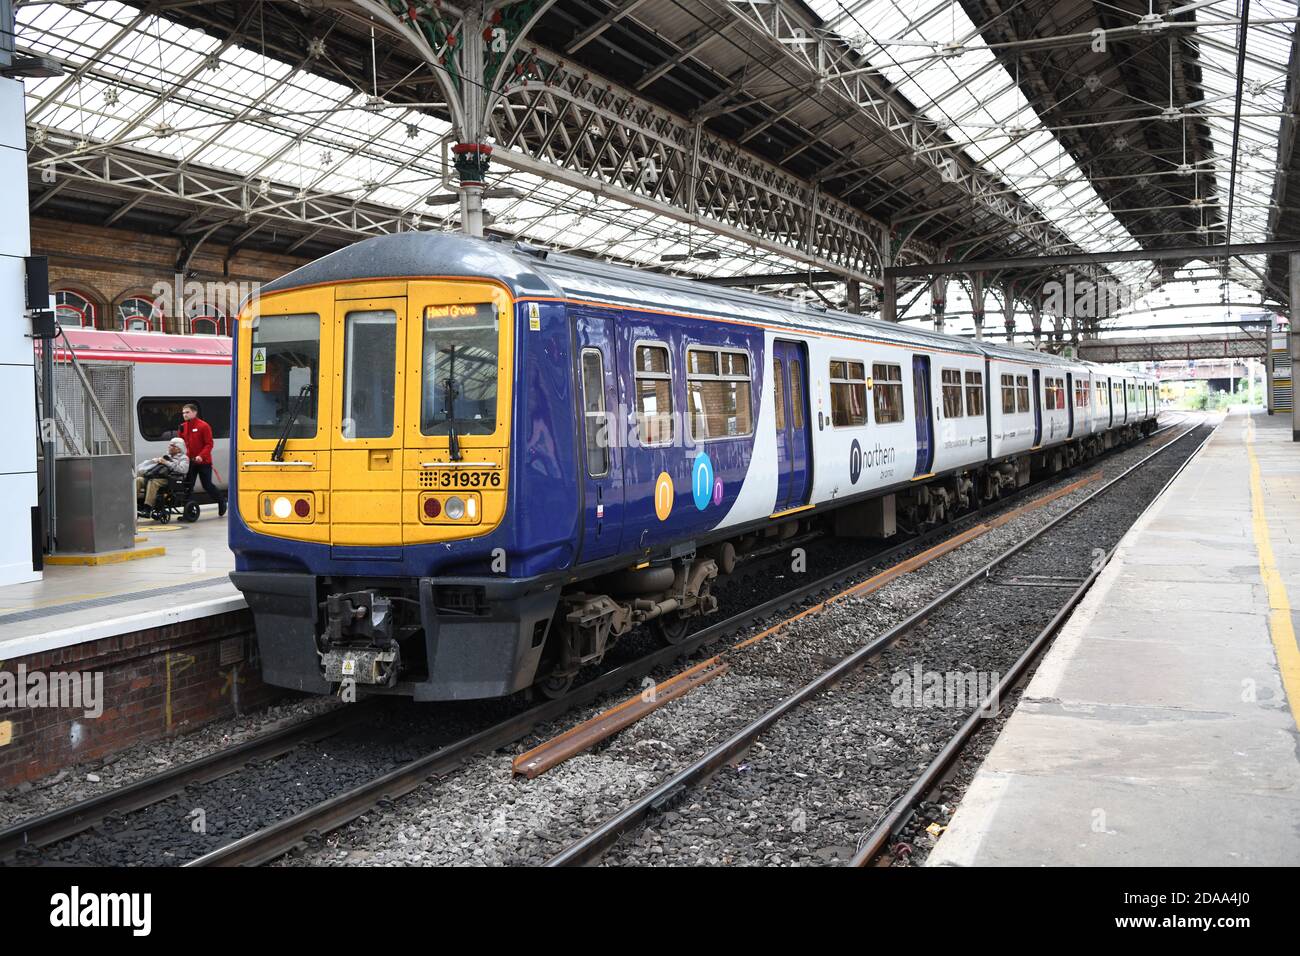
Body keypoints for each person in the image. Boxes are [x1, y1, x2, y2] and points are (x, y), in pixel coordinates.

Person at [179, 402, 228, 517]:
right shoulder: (182, 427)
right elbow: (181, 443)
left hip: (203, 462)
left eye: (187, 412)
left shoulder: (203, 426)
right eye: (183, 413)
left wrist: (201, 456)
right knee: (188, 486)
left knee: (207, 485)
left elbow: (209, 444)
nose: (184, 415)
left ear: (194, 413)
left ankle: (221, 501)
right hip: (190, 462)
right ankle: (189, 512)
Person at [136, 437, 189, 512]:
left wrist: (167, 463)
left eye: (172, 446)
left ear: (178, 448)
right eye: (170, 445)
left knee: (153, 482)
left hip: (171, 479)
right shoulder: (166, 456)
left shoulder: (184, 458)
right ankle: (133, 504)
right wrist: (155, 461)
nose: (169, 447)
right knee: (138, 480)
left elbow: (183, 470)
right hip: (158, 477)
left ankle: (148, 507)